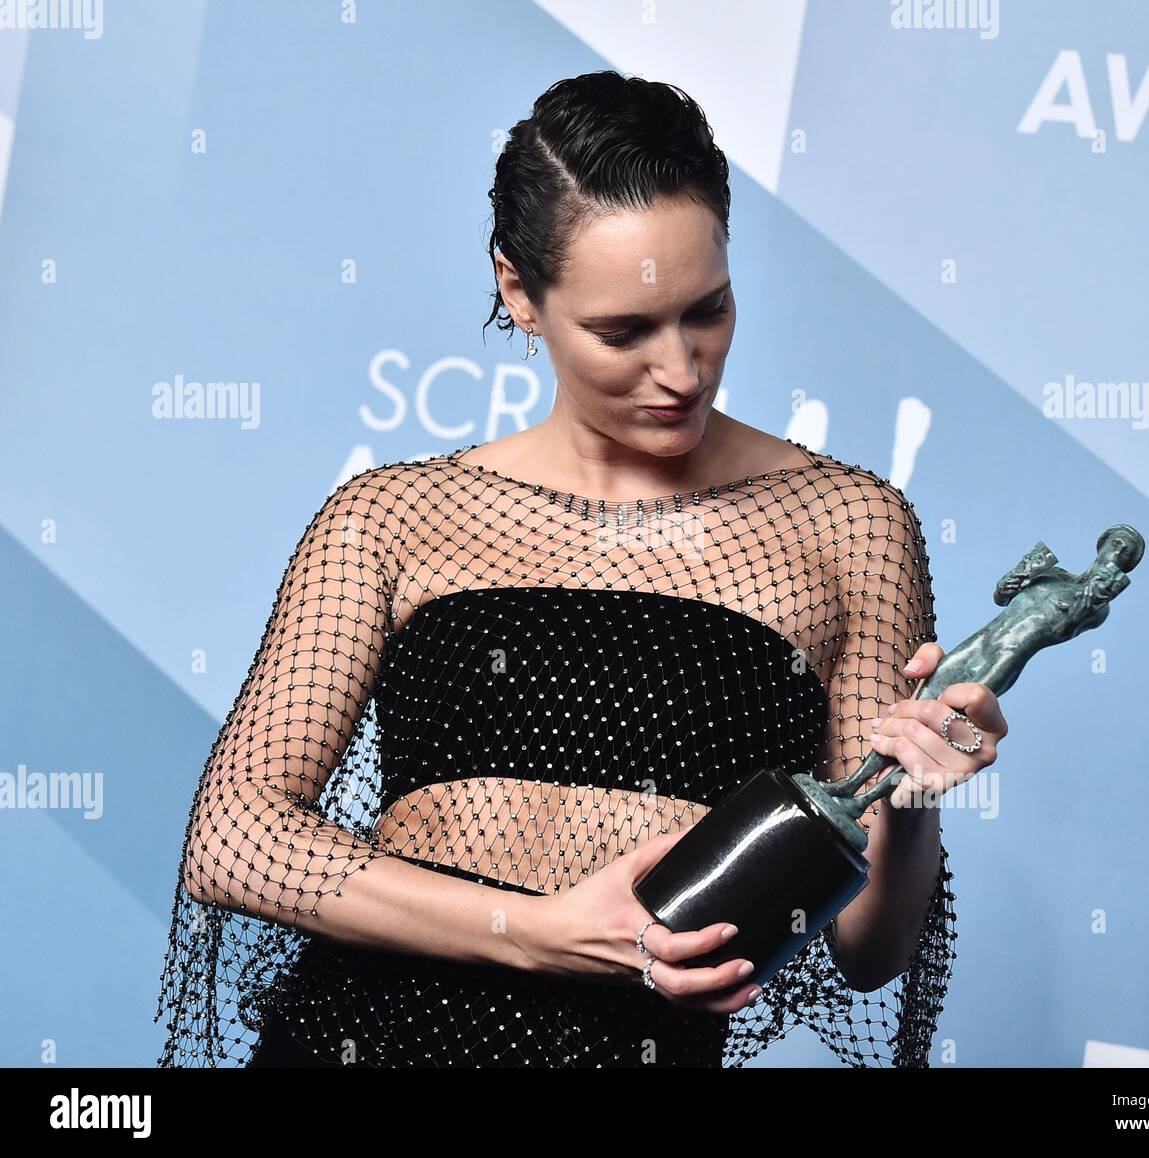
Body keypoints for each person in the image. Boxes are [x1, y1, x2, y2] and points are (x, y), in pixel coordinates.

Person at [155, 70, 1007, 1069]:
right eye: (624, 331)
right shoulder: (391, 517)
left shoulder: (848, 525)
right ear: (519, 291)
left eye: (709, 310)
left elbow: (872, 949)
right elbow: (233, 841)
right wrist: (540, 934)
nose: (683, 370)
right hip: (363, 1040)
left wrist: (913, 794)